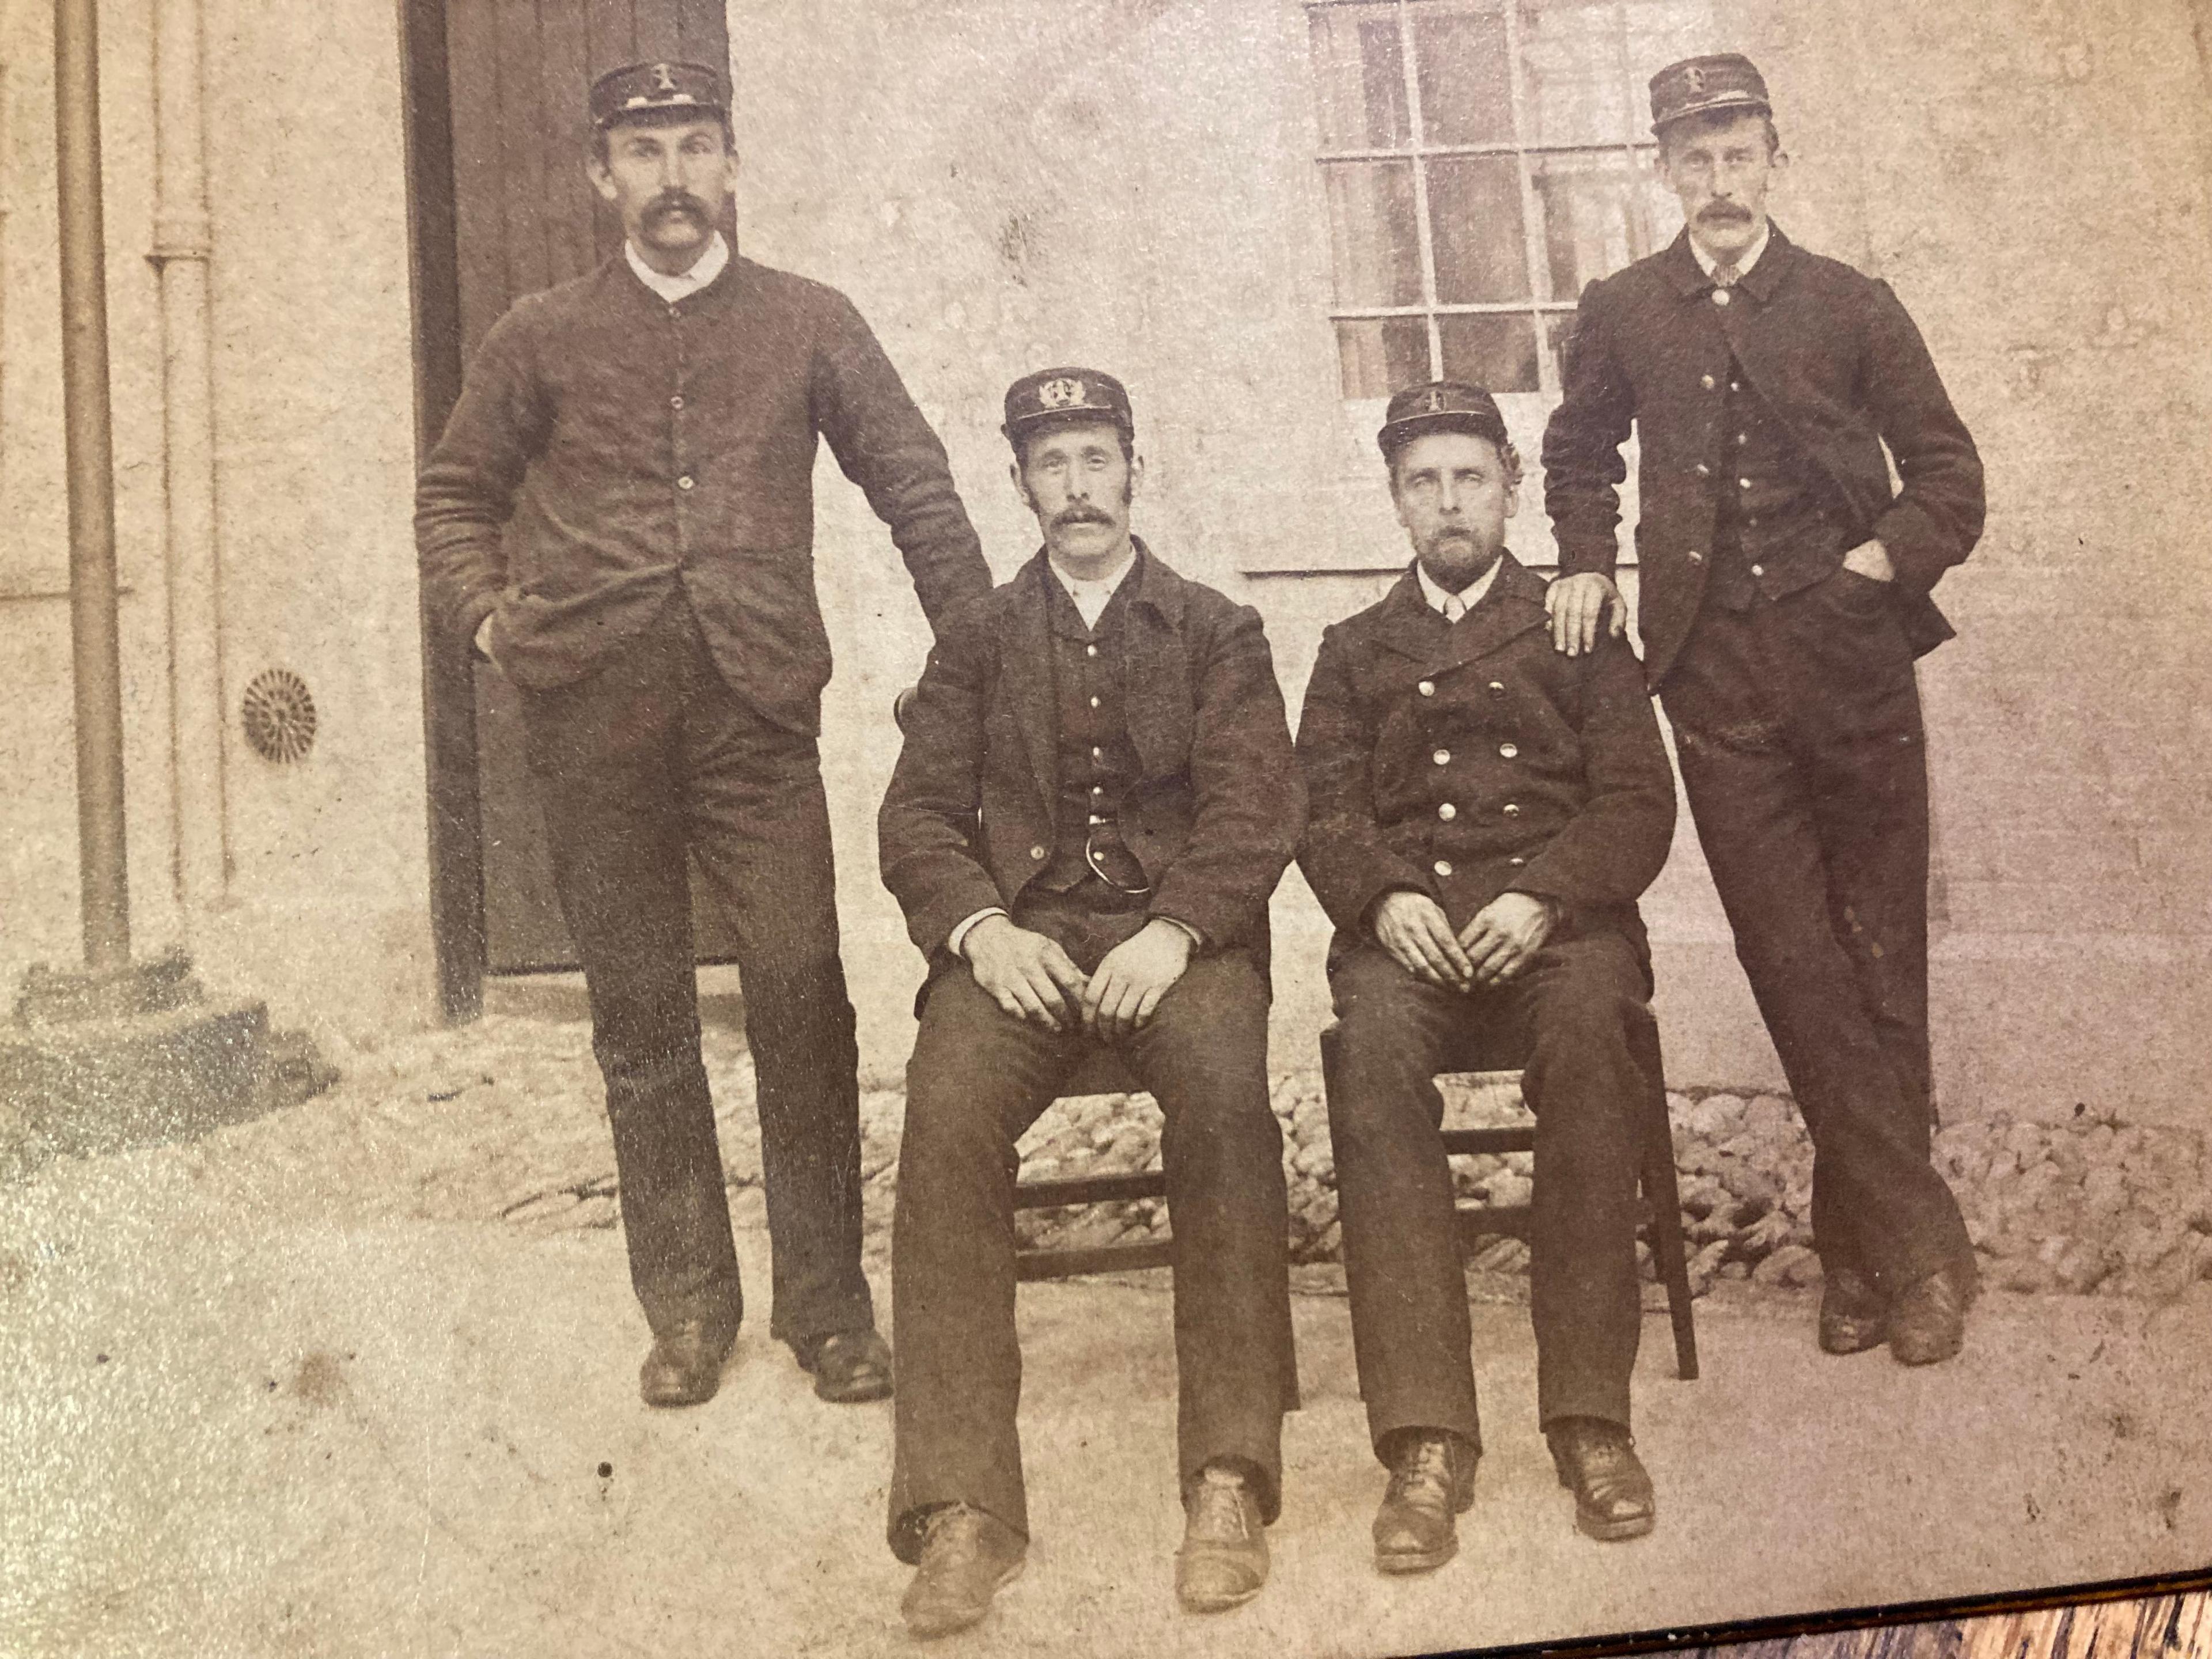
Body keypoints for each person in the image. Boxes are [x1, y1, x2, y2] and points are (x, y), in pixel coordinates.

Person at [415, 60, 991, 1411]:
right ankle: (685, 1310)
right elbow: (454, 496)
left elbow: (912, 480)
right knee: (642, 1015)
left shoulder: (810, 322)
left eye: (695, 147)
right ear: (600, 176)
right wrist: (492, 623)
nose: (672, 176)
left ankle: (828, 1309)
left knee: (800, 986)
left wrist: (975, 647)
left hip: (755, 710)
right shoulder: (540, 332)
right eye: (643, 150)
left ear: (731, 167)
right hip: (592, 711)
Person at [1540, 53, 1986, 1365]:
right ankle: (1925, 1254)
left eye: (1739, 155)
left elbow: (1951, 478)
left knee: (1879, 957)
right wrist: (1583, 557)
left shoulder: (1851, 304)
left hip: (1850, 668)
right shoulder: (1625, 307)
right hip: (1713, 677)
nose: (1720, 182)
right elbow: (1579, 450)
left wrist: (1875, 569)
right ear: (1663, 171)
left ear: (1775, 156)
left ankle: (1864, 1263)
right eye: (1695, 159)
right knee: (1793, 963)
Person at [877, 369, 1302, 1636]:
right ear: (1022, 485)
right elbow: (914, 817)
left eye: (1096, 458)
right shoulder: (979, 639)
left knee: (1225, 1101)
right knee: (944, 1119)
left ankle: (1227, 1475)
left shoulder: (1217, 630)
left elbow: (1254, 809)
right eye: (1051, 463)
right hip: (1025, 946)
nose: (1077, 487)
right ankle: (964, 1511)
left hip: (1178, 947)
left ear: (1134, 470)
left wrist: (1177, 929)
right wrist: (979, 928)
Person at [1297, 381, 1677, 1562]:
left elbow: (1637, 804)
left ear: (1511, 487)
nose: (1449, 502)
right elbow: (1318, 812)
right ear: (1398, 502)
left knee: (1586, 1041)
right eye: (1425, 482)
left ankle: (1590, 1420)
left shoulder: (1576, 625)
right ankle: (1425, 1441)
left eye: (1470, 477)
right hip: (1410, 933)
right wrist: (1384, 896)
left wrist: (1545, 893)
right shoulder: (1354, 649)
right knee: (1370, 1057)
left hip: (1556, 924)